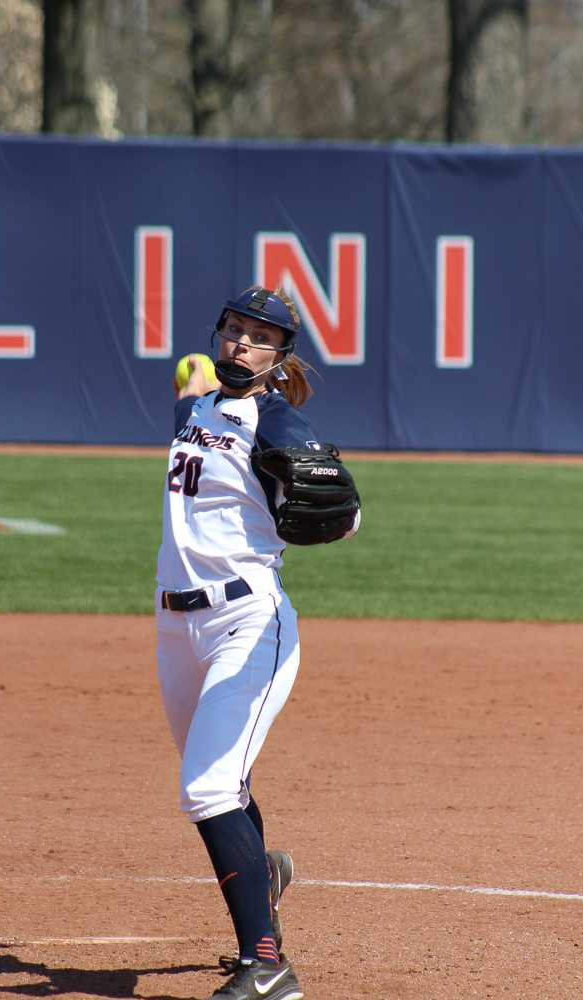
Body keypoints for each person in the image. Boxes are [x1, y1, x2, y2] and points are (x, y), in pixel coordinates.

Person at [155, 286, 361, 1000]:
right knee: (224, 787)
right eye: (235, 329)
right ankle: (262, 876)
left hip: (250, 624)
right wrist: (191, 378)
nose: (242, 343)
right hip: (176, 629)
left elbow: (345, 511)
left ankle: (267, 966)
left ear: (280, 356)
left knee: (205, 788)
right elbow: (190, 389)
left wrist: (336, 513)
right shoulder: (197, 407)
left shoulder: (279, 424)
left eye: (260, 337)